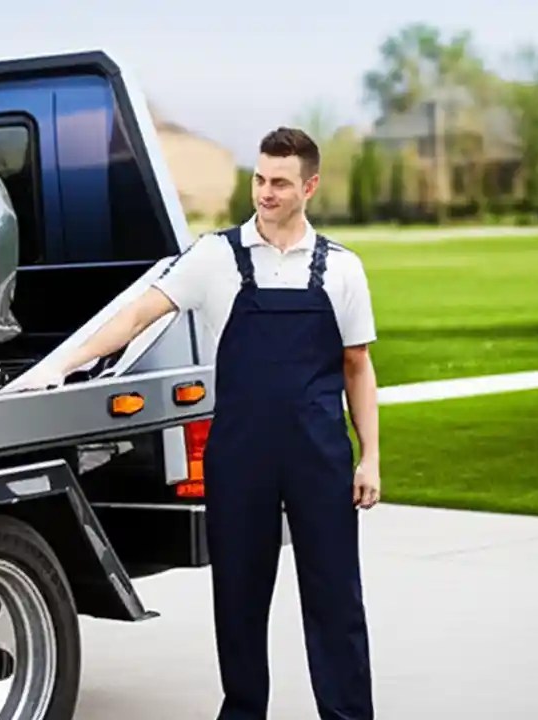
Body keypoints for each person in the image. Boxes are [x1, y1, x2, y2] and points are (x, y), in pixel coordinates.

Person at [39, 127, 380, 719]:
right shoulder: (214, 257)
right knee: (239, 599)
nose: (265, 193)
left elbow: (358, 365)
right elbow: (139, 314)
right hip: (239, 456)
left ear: (310, 186)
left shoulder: (343, 269)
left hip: (319, 456)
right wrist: (65, 364)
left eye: (279, 182)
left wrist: (369, 455)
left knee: (336, 599)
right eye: (259, 179)